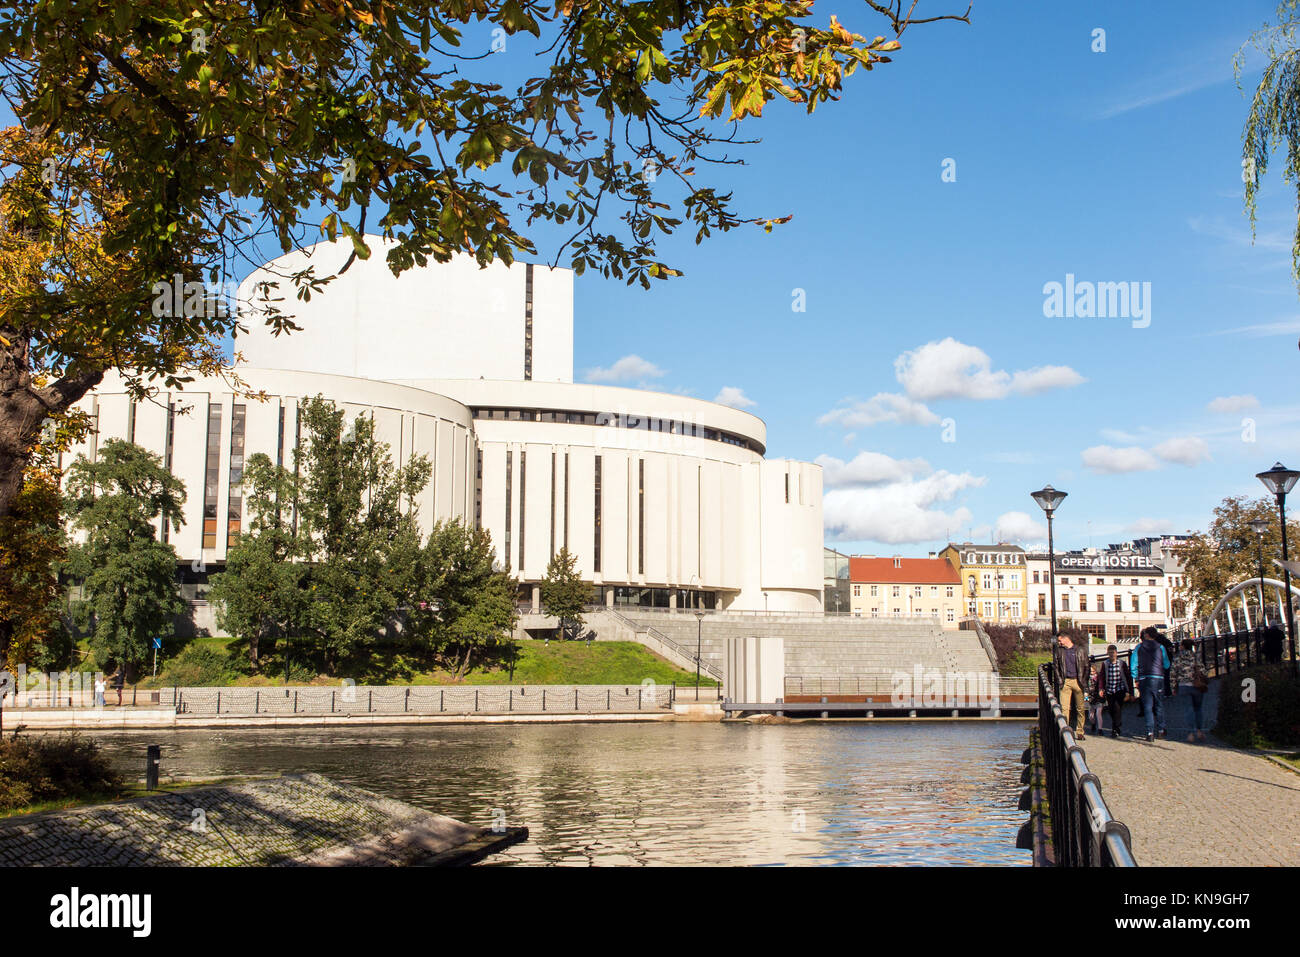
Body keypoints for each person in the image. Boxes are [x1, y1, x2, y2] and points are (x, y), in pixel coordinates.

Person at [1129, 627, 1171, 742]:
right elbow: (1167, 664)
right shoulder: (1160, 647)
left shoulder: (1139, 648)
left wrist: (1136, 677)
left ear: (1146, 635)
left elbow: (1133, 664)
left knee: (1147, 706)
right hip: (1158, 678)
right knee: (1159, 704)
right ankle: (1161, 730)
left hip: (1144, 678)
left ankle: (1150, 732)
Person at [1054, 633, 1091, 739]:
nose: (1059, 642)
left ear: (1066, 639)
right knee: (1064, 708)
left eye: (1060, 640)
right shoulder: (1060, 651)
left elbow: (1087, 666)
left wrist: (1083, 680)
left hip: (1078, 681)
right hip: (1066, 682)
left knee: (1080, 708)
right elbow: (1056, 667)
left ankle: (1080, 731)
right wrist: (1060, 680)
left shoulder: (1080, 650)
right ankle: (1066, 731)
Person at [1173, 638, 1208, 742]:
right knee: (1198, 709)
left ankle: (1190, 733)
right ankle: (1199, 730)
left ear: (1182, 646)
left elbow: (1173, 674)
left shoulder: (1177, 658)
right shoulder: (1195, 657)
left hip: (1184, 686)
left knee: (1188, 709)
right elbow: (1203, 671)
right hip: (1197, 686)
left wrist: (1173, 687)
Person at [1096, 644, 1134, 738]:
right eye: (1110, 653)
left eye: (1113, 653)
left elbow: (1128, 677)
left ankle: (1115, 728)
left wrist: (1130, 691)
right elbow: (1101, 677)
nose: (1112, 655)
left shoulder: (1121, 663)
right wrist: (1101, 688)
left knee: (1117, 708)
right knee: (1111, 709)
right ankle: (1117, 725)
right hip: (1109, 690)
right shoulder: (1105, 664)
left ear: (1116, 653)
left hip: (1119, 689)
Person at [1087, 664, 1104, 734]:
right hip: (1091, 697)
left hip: (1098, 697)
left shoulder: (1099, 678)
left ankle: (1100, 729)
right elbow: (1085, 687)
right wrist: (1086, 696)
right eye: (1091, 672)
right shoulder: (1087, 678)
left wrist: (1101, 691)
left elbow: (1101, 685)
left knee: (1098, 713)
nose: (1092, 673)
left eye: (1093, 672)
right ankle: (1093, 724)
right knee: (1091, 715)